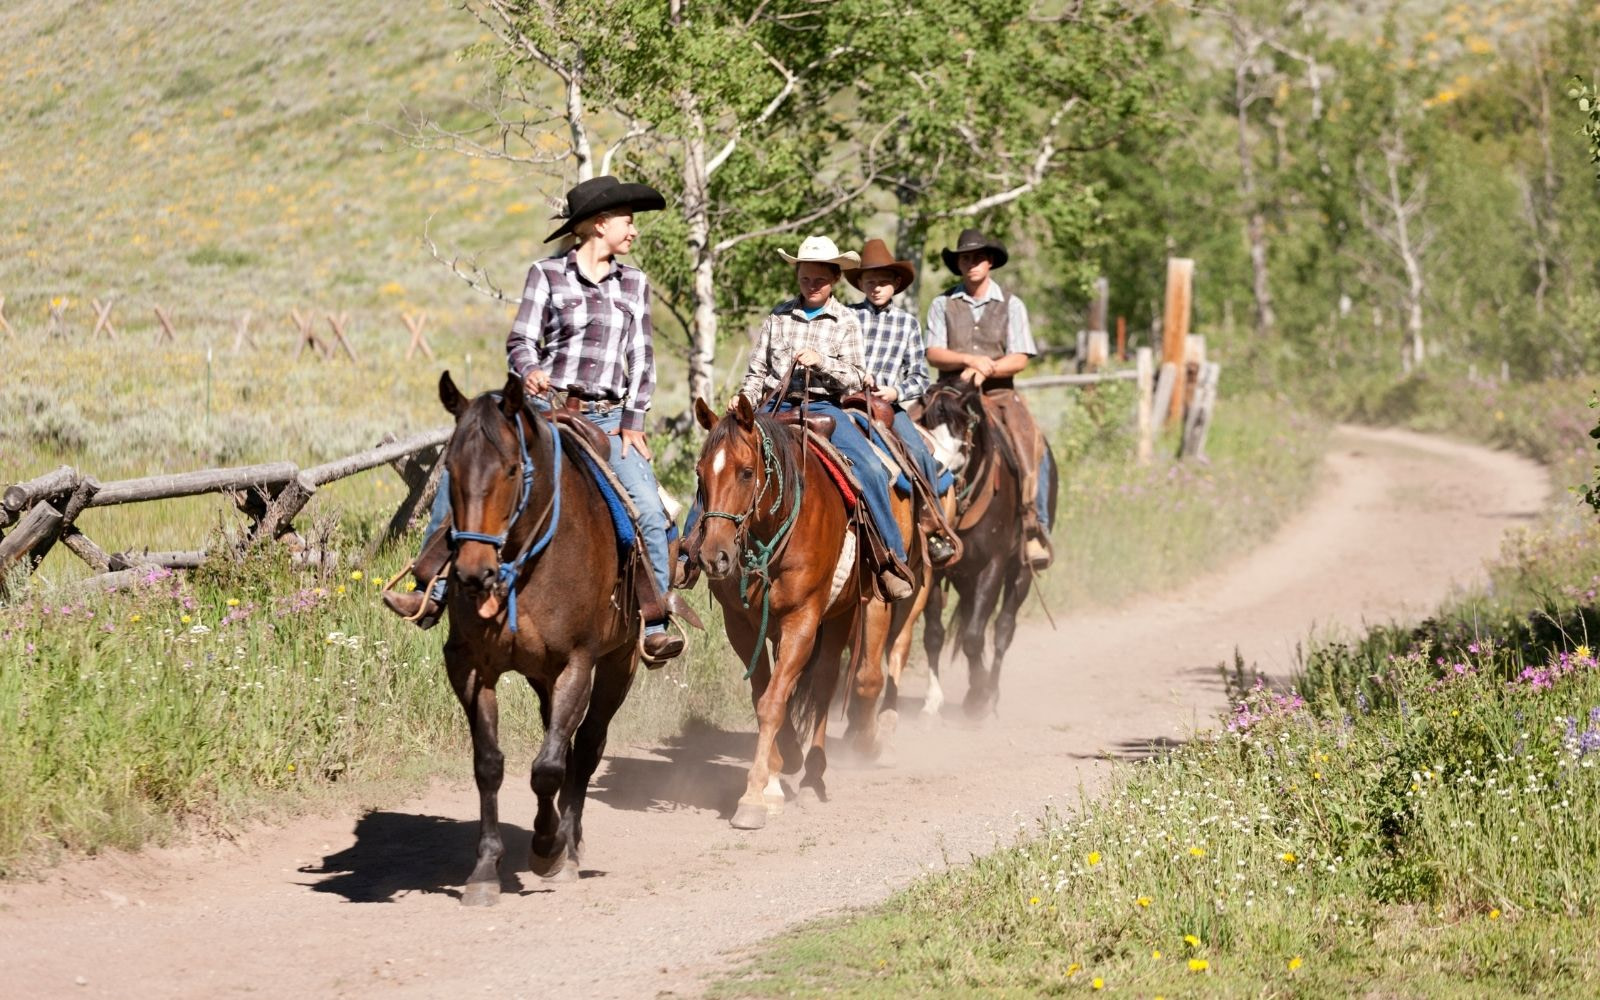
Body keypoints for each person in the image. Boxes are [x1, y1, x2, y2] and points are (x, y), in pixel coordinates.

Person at [384, 175, 685, 664]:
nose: (633, 231)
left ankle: (653, 622)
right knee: (468, 474)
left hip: (608, 419)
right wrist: (531, 371)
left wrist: (633, 421)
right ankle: (430, 588)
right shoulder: (546, 275)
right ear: (599, 224)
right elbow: (521, 340)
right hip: (544, 412)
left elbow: (642, 359)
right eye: (627, 222)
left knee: (649, 511)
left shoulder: (634, 283)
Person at [716, 235, 915, 600]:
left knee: (872, 470)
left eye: (820, 279)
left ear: (835, 278)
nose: (812, 285)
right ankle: (691, 550)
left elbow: (856, 376)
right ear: (797, 276)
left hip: (824, 407)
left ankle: (890, 559)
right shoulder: (778, 316)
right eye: (805, 278)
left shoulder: (845, 321)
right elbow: (757, 372)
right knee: (722, 457)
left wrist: (821, 362)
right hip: (773, 408)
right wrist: (744, 399)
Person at [925, 227, 1054, 569]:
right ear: (958, 264)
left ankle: (1034, 525)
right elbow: (934, 353)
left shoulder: (1012, 304)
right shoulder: (942, 303)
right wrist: (969, 361)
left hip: (999, 393)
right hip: (951, 393)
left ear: (990, 261)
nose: (971, 263)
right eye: (965, 257)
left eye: (978, 257)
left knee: (1032, 444)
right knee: (909, 435)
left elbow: (1020, 357)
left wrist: (989, 368)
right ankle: (918, 525)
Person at [843, 238, 959, 567]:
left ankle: (933, 525)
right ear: (861, 284)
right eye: (870, 281)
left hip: (887, 407)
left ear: (895, 283)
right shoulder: (847, 317)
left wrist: (895, 392)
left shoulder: (907, 323)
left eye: (883, 281)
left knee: (920, 452)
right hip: (845, 401)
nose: (876, 287)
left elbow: (920, 376)